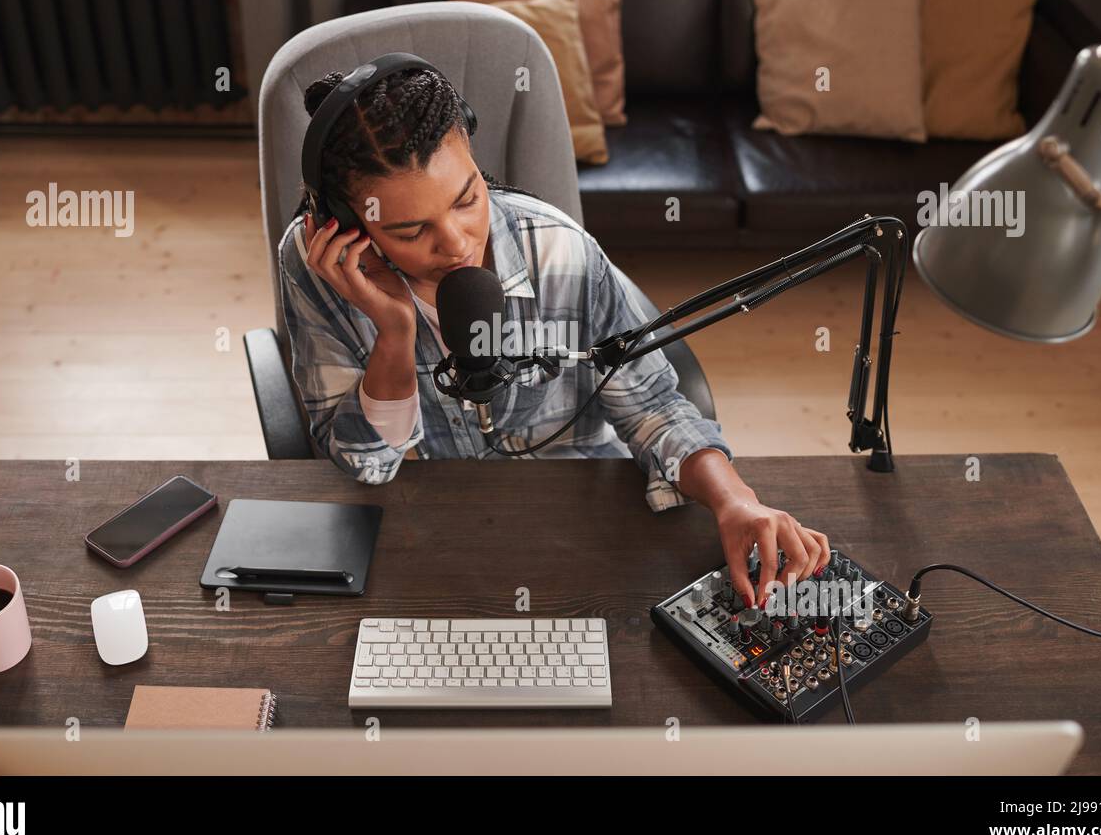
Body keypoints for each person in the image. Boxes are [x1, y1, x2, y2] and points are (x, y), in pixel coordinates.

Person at [278, 64, 830, 606]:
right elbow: (368, 465)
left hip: (584, 520)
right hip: (431, 533)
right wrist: (394, 332)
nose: (457, 244)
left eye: (468, 199)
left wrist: (736, 501)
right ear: (346, 226)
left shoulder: (559, 249)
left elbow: (652, 407)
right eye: (410, 229)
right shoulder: (318, 268)